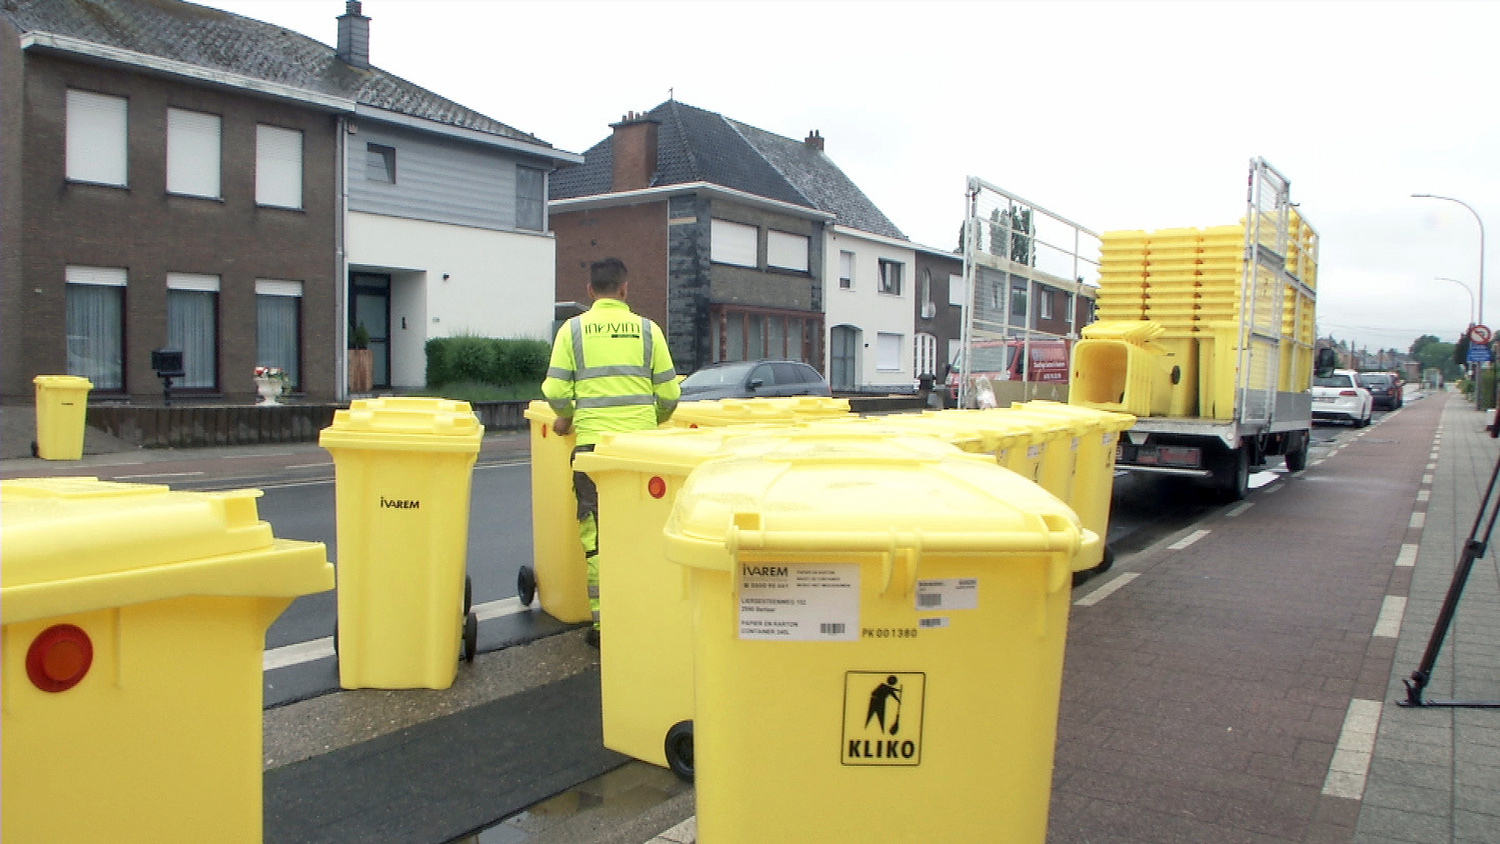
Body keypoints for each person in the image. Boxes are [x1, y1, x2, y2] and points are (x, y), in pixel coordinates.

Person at [541, 257, 679, 647]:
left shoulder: (573, 331)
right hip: (642, 454)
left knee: (598, 539)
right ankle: (646, 616)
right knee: (645, 536)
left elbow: (554, 392)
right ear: (624, 289)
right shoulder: (648, 331)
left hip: (593, 452)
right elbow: (670, 395)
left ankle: (605, 627)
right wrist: (648, 419)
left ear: (589, 292)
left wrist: (568, 416)